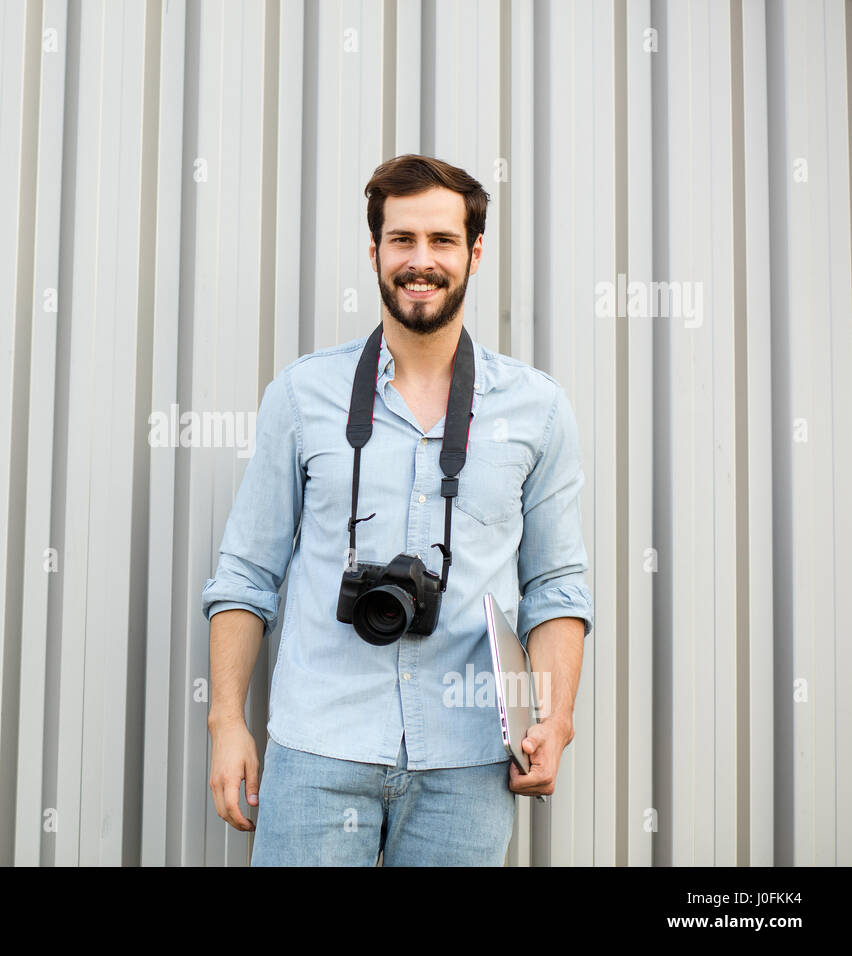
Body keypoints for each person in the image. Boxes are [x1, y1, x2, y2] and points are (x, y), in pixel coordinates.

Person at [201, 154, 595, 866]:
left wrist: (555, 717)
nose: (422, 260)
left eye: (443, 240)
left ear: (475, 252)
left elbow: (557, 586)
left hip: (469, 761)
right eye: (403, 239)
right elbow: (244, 575)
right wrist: (227, 721)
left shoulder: (538, 410)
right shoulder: (302, 396)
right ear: (376, 251)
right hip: (317, 750)